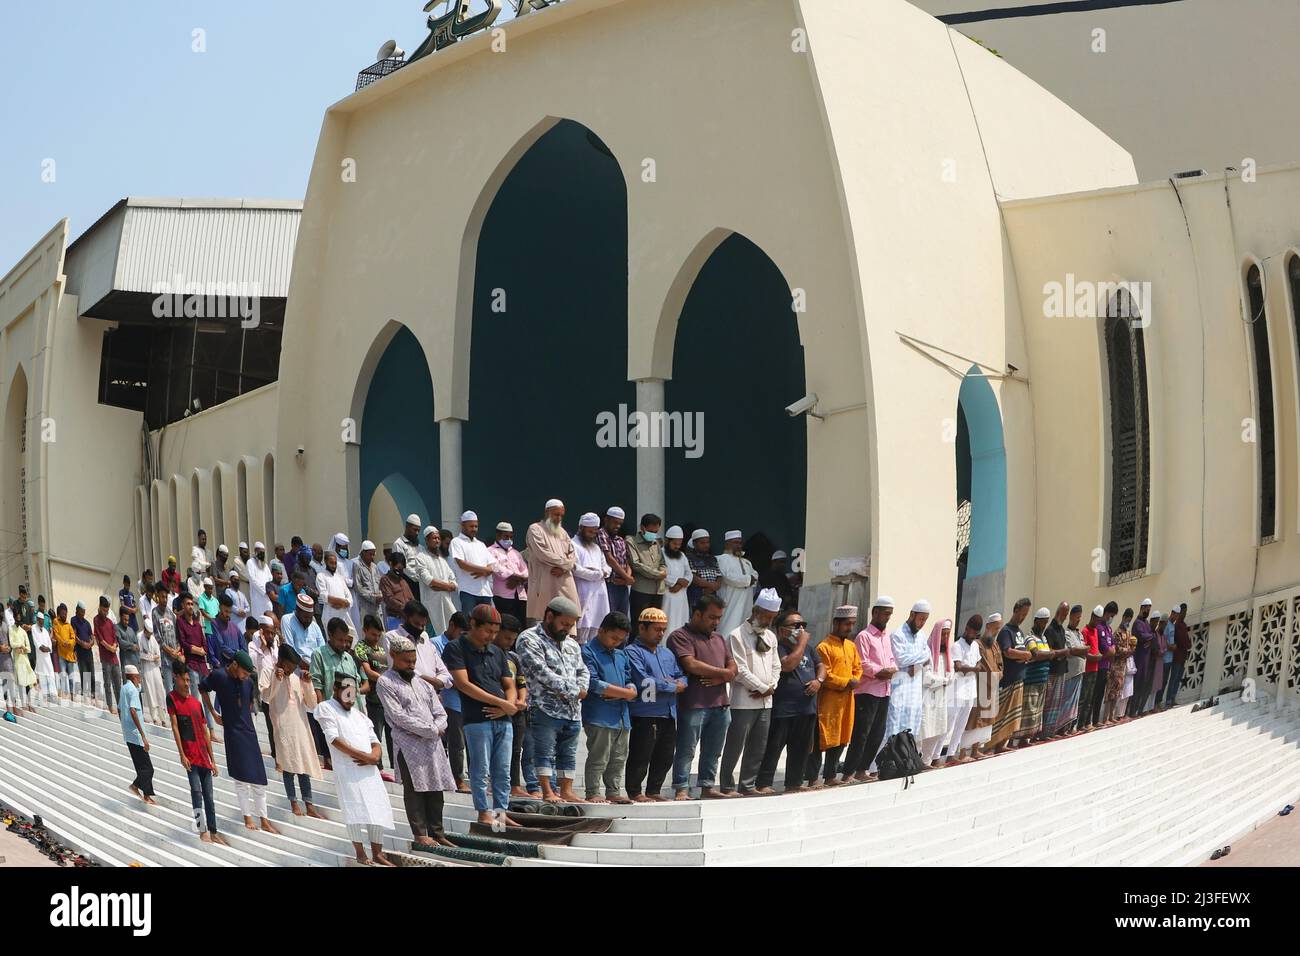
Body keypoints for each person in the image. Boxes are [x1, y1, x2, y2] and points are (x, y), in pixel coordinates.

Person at [442, 604, 519, 826]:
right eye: (488, 631)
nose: (491, 637)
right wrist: (502, 703)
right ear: (473, 624)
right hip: (477, 719)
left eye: (495, 632)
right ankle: (483, 812)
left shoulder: (497, 651)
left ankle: (501, 812)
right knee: (480, 769)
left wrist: (508, 705)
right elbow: (463, 684)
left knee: (503, 771)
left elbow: (509, 683)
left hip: (504, 720)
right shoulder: (456, 647)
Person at [376, 633, 457, 847]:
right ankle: (420, 834)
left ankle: (437, 833)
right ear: (393, 656)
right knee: (415, 791)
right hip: (408, 746)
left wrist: (437, 728)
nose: (411, 665)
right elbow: (398, 716)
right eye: (406, 661)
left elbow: (441, 713)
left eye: (413, 661)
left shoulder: (423, 683)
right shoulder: (385, 682)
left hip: (432, 746)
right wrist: (431, 730)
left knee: (435, 789)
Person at [315, 674, 395, 865]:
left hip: (369, 770)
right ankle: (360, 853)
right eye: (346, 695)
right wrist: (364, 756)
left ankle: (377, 853)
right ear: (336, 690)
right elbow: (333, 739)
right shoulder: (326, 708)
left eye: (353, 696)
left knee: (376, 809)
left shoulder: (359, 714)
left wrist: (375, 755)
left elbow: (374, 739)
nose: (350, 700)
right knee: (353, 810)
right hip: (348, 770)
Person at [516, 596, 588, 803]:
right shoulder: (529, 638)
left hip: (572, 710)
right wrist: (575, 690)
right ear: (549, 616)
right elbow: (541, 672)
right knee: (543, 752)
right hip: (544, 707)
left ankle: (566, 791)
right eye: (564, 624)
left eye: (571, 625)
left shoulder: (572, 645)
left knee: (568, 754)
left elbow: (583, 670)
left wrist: (582, 687)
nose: (567, 629)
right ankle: (547, 790)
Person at [201, 651, 280, 834]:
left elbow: (248, 705)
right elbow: (202, 688)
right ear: (235, 665)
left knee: (259, 779)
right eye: (244, 672)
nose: (245, 676)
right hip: (232, 733)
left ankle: (264, 819)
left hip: (249, 733)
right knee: (241, 781)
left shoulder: (249, 682)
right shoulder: (219, 676)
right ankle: (247, 817)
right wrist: (213, 712)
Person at [668, 593, 736, 800]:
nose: (716, 622)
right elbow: (691, 665)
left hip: (720, 704)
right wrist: (723, 674)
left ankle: (707, 786)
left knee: (714, 749)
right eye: (712, 617)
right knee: (687, 748)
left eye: (719, 618)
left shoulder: (719, 638)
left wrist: (723, 676)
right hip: (694, 703)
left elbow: (732, 666)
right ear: (697, 614)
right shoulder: (680, 636)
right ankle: (681, 788)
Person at [719, 588, 781, 794]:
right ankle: (727, 785)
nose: (769, 622)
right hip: (744, 700)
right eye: (766, 617)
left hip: (766, 701)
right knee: (735, 744)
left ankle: (748, 784)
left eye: (772, 617)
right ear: (755, 611)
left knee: (758, 745)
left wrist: (771, 687)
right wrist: (763, 688)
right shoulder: (736, 635)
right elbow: (740, 669)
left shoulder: (771, 637)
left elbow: (776, 665)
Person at [755, 608, 823, 793]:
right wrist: (802, 643)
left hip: (806, 708)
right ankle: (764, 783)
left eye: (803, 625)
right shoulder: (777, 647)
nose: (800, 629)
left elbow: (821, 665)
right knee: (774, 748)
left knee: (801, 749)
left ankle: (794, 783)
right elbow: (787, 665)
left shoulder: (809, 648)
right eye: (795, 625)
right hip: (784, 708)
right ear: (781, 629)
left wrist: (819, 680)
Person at [624, 607, 685, 801]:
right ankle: (635, 791)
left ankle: (654, 790)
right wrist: (671, 686)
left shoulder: (667, 653)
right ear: (642, 628)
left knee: (665, 754)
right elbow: (645, 680)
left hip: (669, 711)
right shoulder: (632, 652)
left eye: (663, 630)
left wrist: (681, 683)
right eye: (657, 629)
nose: (661, 634)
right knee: (641, 754)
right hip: (646, 712)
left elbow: (680, 675)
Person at [260, 644, 325, 818]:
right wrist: (277, 679)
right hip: (283, 727)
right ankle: (293, 802)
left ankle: (309, 804)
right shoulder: (268, 671)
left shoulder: (296, 678)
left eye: (293, 666)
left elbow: (311, 704)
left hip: (300, 727)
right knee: (288, 766)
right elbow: (266, 697)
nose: (291, 669)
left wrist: (308, 684)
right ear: (281, 661)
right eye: (289, 665)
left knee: (303, 765)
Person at [167, 666, 227, 845]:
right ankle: (202, 830)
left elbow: (205, 731)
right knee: (196, 793)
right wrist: (181, 754)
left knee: (209, 796)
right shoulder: (172, 699)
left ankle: (214, 830)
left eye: (188, 680)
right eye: (183, 680)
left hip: (204, 757)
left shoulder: (196, 703)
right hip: (190, 757)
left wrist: (213, 760)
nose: (186, 684)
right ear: (175, 678)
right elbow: (175, 727)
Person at [580, 611, 636, 803]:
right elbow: (593, 683)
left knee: (619, 757)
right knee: (599, 756)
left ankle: (613, 791)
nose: (616, 642)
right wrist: (625, 693)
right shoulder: (588, 652)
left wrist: (631, 688)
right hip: (599, 714)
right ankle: (593, 792)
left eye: (621, 639)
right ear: (601, 630)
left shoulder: (621, 655)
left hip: (621, 715)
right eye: (613, 637)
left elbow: (629, 678)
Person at [843, 596, 896, 781]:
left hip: (884, 691)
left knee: (877, 733)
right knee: (861, 733)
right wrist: (880, 671)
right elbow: (862, 663)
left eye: (890, 614)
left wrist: (891, 669)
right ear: (875, 612)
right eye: (885, 614)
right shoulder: (863, 636)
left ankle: (862, 770)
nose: (888, 618)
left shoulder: (886, 637)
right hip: (867, 692)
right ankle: (848, 772)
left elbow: (891, 659)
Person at [814, 605, 862, 786]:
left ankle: (830, 776)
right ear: (836, 623)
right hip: (828, 701)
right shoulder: (824, 647)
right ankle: (812, 778)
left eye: (852, 624)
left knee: (842, 737)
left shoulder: (851, 646)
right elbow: (825, 674)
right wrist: (846, 682)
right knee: (822, 739)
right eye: (847, 624)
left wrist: (855, 679)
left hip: (847, 700)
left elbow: (858, 667)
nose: (850, 628)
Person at [494, 614, 537, 798]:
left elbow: (521, 682)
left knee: (515, 749)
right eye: (506, 638)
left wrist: (521, 699)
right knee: (495, 749)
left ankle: (514, 784)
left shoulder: (513, 657)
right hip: (497, 709)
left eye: (513, 639)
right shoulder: (489, 654)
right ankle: (494, 783)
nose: (509, 642)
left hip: (517, 711)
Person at [429, 611, 468, 791]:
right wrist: (458, 682)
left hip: (463, 701)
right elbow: (436, 673)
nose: (462, 637)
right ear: (451, 625)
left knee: (461, 744)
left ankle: (457, 778)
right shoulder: (435, 643)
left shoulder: (465, 645)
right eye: (461, 632)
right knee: (454, 744)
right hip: (445, 701)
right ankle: (455, 779)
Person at [884, 600, 932, 740]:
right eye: (921, 619)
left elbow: (929, 655)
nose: (922, 623)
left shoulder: (922, 636)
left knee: (910, 734)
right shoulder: (897, 634)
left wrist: (916, 665)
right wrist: (921, 658)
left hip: (915, 694)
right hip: (899, 691)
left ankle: (904, 762)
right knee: (892, 733)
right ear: (912, 615)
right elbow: (901, 660)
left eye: (925, 620)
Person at [989, 599, 1032, 754]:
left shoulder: (1020, 632)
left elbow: (1020, 652)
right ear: (1016, 610)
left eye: (1026, 614)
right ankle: (996, 744)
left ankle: (1004, 742)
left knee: (1014, 715)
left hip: (1020, 677)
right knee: (1004, 714)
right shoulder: (1006, 631)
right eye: (1022, 613)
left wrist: (1024, 656)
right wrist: (1026, 654)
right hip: (1009, 680)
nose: (1023, 617)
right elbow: (1008, 651)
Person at [525, 499, 580, 620]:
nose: (559, 518)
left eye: (561, 515)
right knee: (544, 618)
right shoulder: (535, 529)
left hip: (565, 582)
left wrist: (565, 568)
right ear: (546, 512)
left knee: (568, 618)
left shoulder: (563, 533)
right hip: (544, 582)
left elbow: (573, 556)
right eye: (556, 514)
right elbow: (543, 554)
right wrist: (565, 564)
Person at [354, 615, 393, 769]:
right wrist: (386, 681)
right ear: (364, 631)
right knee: (375, 735)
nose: (376, 638)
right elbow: (368, 672)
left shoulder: (382, 649)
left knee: (392, 736)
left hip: (387, 699)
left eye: (378, 635)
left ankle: (395, 768)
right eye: (373, 634)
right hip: (372, 698)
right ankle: (378, 766)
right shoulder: (361, 647)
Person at [942, 615, 982, 764]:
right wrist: (972, 669)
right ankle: (935, 757)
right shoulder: (957, 646)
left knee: (961, 725)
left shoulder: (976, 646)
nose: (974, 635)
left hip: (970, 691)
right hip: (957, 691)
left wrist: (970, 669)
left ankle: (952, 754)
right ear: (966, 629)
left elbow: (979, 665)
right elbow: (959, 668)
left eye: (976, 634)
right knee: (949, 724)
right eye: (972, 632)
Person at [963, 615, 1004, 758]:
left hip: (991, 687)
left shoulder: (995, 645)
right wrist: (993, 676)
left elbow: (1000, 663)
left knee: (985, 720)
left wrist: (999, 673)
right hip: (980, 686)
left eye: (999, 629)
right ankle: (963, 752)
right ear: (987, 627)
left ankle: (975, 750)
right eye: (995, 628)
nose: (997, 631)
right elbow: (982, 666)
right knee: (973, 720)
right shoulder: (978, 645)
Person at [571, 513, 612, 644]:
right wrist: (597, 574)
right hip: (583, 592)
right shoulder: (573, 545)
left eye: (595, 532)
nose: (592, 534)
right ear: (581, 528)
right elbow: (575, 569)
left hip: (599, 594)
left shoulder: (596, 547)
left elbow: (607, 568)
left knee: (597, 629)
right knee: (581, 631)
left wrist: (602, 572)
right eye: (590, 531)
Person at [119, 665, 157, 804]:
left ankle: (146, 794)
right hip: (136, 735)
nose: (140, 678)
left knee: (142, 767)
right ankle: (136, 786)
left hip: (128, 734)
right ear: (134, 677)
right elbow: (133, 710)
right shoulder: (132, 691)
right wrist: (143, 735)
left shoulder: (124, 688)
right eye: (138, 676)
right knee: (148, 769)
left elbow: (119, 710)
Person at [1017, 608, 1055, 743]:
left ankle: (1031, 737)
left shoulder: (1043, 638)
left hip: (1043, 679)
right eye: (1042, 622)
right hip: (1032, 680)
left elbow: (1045, 654)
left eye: (1046, 622)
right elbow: (1036, 654)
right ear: (1036, 621)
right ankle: (1021, 739)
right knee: (1029, 711)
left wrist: (1048, 654)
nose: (1043, 625)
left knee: (1038, 710)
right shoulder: (1029, 637)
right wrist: (1050, 654)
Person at [919, 618, 954, 766]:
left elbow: (951, 672)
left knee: (938, 729)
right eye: (943, 634)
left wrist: (949, 678)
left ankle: (926, 761)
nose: (945, 638)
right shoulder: (926, 652)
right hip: (927, 698)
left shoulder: (947, 654)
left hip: (942, 698)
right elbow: (926, 678)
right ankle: (916, 760)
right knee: (924, 730)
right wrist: (944, 681)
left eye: (947, 634)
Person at [449, 511, 497, 615]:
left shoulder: (481, 544)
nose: (474, 529)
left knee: (486, 623)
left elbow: (492, 566)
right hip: (467, 591)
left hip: (485, 591)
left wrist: (485, 571)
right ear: (463, 525)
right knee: (469, 624)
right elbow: (462, 564)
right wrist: (484, 570)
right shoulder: (456, 542)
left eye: (476, 526)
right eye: (471, 526)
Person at [716, 531, 758, 638]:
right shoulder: (721, 559)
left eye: (740, 543)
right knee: (728, 629)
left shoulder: (746, 562)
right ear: (727, 544)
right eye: (735, 543)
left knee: (745, 630)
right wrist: (748, 580)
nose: (738, 546)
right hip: (730, 601)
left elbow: (756, 576)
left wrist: (749, 580)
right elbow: (728, 577)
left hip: (746, 602)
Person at [626, 513, 666, 622]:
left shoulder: (656, 543)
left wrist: (663, 571)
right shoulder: (631, 541)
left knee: (655, 624)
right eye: (651, 532)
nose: (653, 534)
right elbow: (636, 564)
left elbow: (662, 562)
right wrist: (658, 574)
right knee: (639, 625)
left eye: (656, 532)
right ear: (642, 528)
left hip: (658, 591)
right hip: (642, 591)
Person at [597, 506, 634, 617]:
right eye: (615, 522)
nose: (617, 526)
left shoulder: (620, 540)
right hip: (610, 584)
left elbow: (627, 561)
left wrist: (627, 578)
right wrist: (627, 578)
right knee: (611, 618)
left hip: (622, 586)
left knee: (622, 618)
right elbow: (609, 559)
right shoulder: (601, 534)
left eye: (620, 523)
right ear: (606, 520)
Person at [487, 523, 528, 623]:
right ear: (498, 535)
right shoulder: (490, 551)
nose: (509, 539)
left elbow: (526, 570)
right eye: (506, 536)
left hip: (520, 595)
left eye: (511, 537)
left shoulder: (516, 553)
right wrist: (512, 576)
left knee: (520, 624)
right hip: (503, 596)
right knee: (505, 625)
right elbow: (496, 568)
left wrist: (520, 579)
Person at [136, 615, 167, 724]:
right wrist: (150, 657)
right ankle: (154, 716)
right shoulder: (139, 637)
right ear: (144, 630)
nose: (149, 636)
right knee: (150, 690)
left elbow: (158, 654)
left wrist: (153, 657)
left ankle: (163, 717)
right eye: (148, 633)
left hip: (155, 668)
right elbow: (140, 654)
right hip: (146, 668)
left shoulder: (152, 638)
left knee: (159, 689)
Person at [94, 596, 122, 714]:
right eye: (104, 610)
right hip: (105, 657)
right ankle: (110, 706)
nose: (105, 613)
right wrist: (109, 647)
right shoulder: (96, 620)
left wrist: (114, 645)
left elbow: (115, 636)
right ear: (100, 607)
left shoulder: (110, 622)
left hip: (114, 657)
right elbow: (99, 638)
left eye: (107, 611)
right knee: (108, 683)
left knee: (118, 683)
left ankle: (120, 706)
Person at [661, 526, 692, 633]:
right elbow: (661, 573)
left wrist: (680, 584)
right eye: (674, 544)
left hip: (682, 596)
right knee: (667, 623)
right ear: (667, 541)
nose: (677, 547)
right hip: (668, 595)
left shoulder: (682, 555)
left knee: (681, 622)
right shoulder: (660, 553)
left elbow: (689, 574)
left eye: (679, 544)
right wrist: (677, 581)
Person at [1129, 598, 1156, 717]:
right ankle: (1130, 712)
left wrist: (1149, 638)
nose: (1148, 611)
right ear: (1142, 608)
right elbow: (1141, 636)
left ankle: (1137, 711)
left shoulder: (1146, 623)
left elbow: (1151, 636)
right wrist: (1149, 637)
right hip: (1139, 659)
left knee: (1142, 686)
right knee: (1135, 686)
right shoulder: (1137, 623)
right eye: (1147, 609)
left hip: (1146, 659)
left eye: (1149, 609)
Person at [1109, 608, 1137, 721]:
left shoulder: (1128, 633)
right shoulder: (1117, 633)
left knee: (1124, 691)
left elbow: (1132, 646)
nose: (1128, 623)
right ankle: (1112, 716)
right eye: (1127, 620)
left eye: (1130, 620)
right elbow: (1118, 649)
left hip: (1126, 665)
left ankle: (1120, 714)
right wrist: (1128, 651)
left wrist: (1130, 650)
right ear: (1123, 617)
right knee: (1115, 691)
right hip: (1117, 666)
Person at [684, 529, 721, 607]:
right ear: (694, 544)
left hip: (712, 596)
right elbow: (693, 577)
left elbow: (719, 577)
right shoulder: (689, 558)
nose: (706, 545)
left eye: (707, 542)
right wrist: (711, 586)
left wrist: (714, 587)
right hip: (696, 595)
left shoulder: (713, 559)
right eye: (702, 543)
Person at [380, 553, 416, 630]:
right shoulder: (385, 580)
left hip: (408, 619)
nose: (400, 571)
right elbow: (389, 599)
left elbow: (411, 598)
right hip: (395, 619)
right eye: (398, 568)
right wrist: (405, 608)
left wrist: (415, 609)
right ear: (391, 564)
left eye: (402, 569)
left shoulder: (403, 581)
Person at [353, 540, 384, 626]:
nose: (372, 557)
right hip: (365, 607)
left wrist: (380, 595)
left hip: (377, 607)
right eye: (370, 554)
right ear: (363, 553)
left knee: (380, 632)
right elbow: (358, 587)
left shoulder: (374, 566)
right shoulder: (357, 565)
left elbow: (379, 583)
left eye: (374, 554)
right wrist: (373, 597)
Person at [1166, 603, 1191, 707]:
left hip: (1182, 656)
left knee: (1178, 677)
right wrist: (1186, 644)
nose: (1184, 614)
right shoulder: (1176, 625)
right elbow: (1181, 640)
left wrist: (1188, 644)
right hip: (1177, 656)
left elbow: (1187, 640)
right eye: (1183, 612)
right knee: (1173, 678)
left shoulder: (1183, 625)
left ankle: (1173, 698)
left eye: (1185, 612)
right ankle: (1168, 700)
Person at [52, 604, 78, 700]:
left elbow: (73, 637)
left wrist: (69, 643)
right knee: (63, 674)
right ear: (59, 614)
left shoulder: (69, 625)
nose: (64, 616)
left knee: (71, 676)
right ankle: (64, 694)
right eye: (63, 614)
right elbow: (56, 634)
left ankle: (72, 695)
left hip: (70, 655)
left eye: (66, 614)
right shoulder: (56, 622)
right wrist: (63, 643)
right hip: (62, 655)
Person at [72, 601, 96, 705]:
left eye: (84, 612)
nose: (83, 614)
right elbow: (74, 635)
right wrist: (83, 644)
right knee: (84, 672)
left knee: (92, 673)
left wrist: (90, 643)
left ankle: (94, 694)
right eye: (81, 611)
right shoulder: (73, 620)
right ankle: (85, 694)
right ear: (77, 610)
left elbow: (92, 636)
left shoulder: (87, 623)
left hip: (89, 651)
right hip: (80, 651)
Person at [32, 612, 56, 704]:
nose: (42, 623)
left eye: (43, 621)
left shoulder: (45, 631)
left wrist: (48, 648)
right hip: (40, 655)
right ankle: (45, 695)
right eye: (40, 621)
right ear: (37, 620)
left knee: (50, 673)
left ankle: (53, 694)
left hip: (47, 656)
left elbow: (49, 643)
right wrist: (42, 648)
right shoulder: (34, 628)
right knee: (42, 675)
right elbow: (36, 641)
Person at [247, 542, 274, 620]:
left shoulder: (265, 565)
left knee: (269, 615)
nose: (262, 554)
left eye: (263, 552)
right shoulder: (250, 562)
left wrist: (269, 590)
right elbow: (253, 580)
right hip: (257, 596)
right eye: (260, 552)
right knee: (258, 618)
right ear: (255, 551)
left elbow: (270, 578)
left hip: (267, 596)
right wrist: (264, 591)